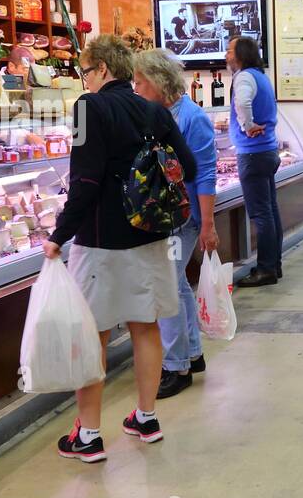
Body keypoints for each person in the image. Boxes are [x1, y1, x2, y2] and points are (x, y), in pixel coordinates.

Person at [42, 34, 197, 463]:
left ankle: (89, 435)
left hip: (100, 244)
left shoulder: (88, 108)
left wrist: (59, 235)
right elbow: (189, 166)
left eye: (85, 71)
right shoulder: (153, 110)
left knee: (94, 336)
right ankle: (146, 418)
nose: (84, 80)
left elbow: (85, 183)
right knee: (145, 326)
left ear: (104, 69)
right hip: (150, 239)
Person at [132, 48, 218, 400]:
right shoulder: (155, 113)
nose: (135, 88)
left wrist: (208, 224)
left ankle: (175, 366)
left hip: (183, 217)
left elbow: (207, 172)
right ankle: (192, 353)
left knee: (166, 287)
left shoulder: (191, 118)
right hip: (165, 214)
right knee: (176, 282)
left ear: (158, 82)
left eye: (140, 82)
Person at [226, 35, 284, 287]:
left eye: (229, 50)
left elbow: (242, 101)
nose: (226, 54)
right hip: (267, 151)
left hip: (252, 153)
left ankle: (266, 269)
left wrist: (246, 125)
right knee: (270, 211)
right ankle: (274, 264)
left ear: (241, 54)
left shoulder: (244, 77)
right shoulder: (261, 76)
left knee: (261, 214)